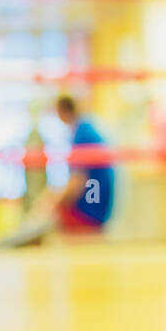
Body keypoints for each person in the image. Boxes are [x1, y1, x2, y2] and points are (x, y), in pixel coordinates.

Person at [45, 94, 116, 232]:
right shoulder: (86, 129)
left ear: (61, 112)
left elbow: (77, 182)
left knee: (48, 216)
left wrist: (50, 203)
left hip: (91, 211)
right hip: (97, 206)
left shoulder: (82, 135)